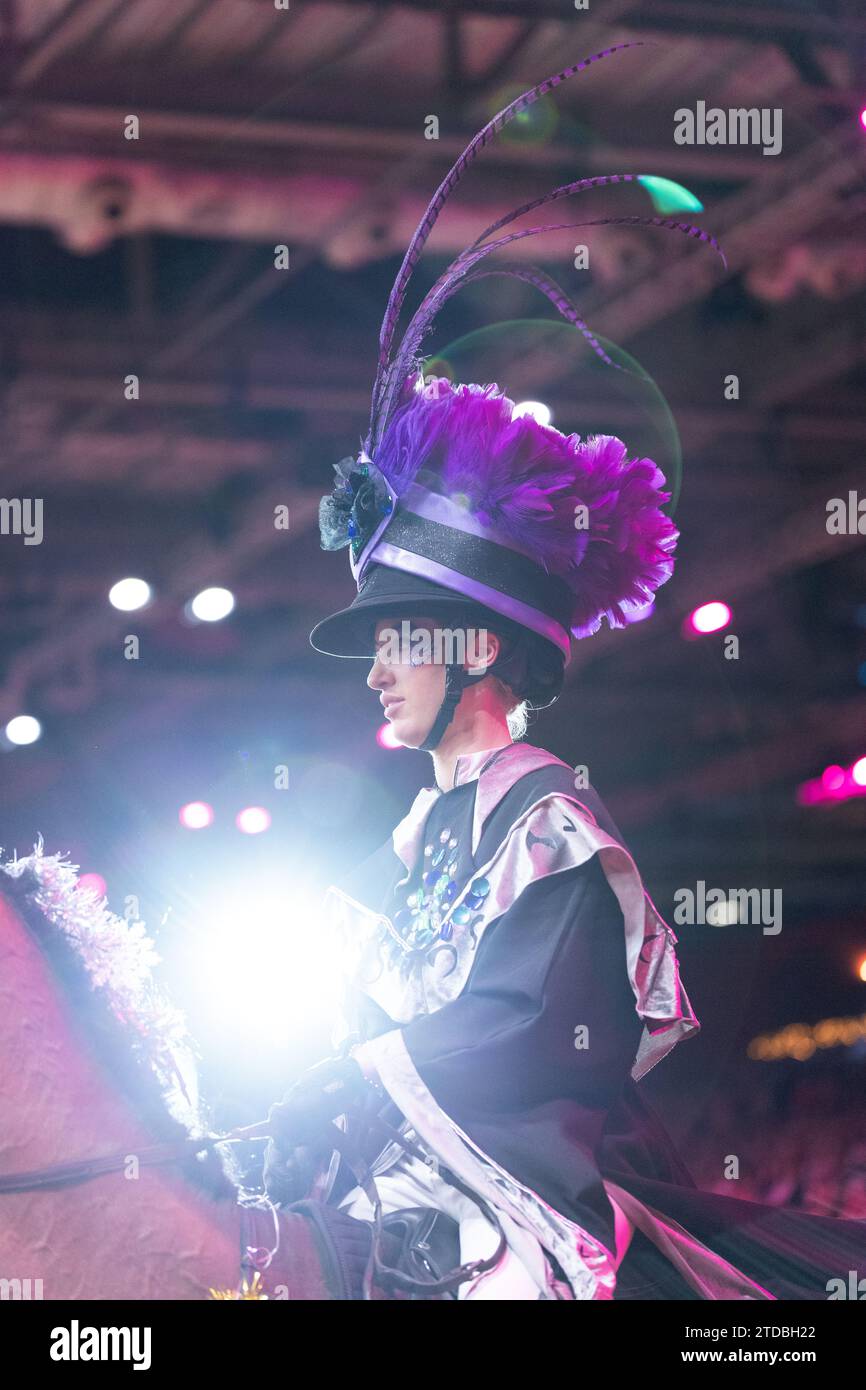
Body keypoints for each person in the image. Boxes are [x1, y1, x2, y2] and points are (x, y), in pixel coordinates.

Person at [262, 48, 866, 1300]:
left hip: (513, 1217)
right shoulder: (428, 833)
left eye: (396, 639)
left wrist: (360, 1070)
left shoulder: (549, 829)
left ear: (472, 646)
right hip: (404, 1188)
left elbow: (535, 1043)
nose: (375, 671)